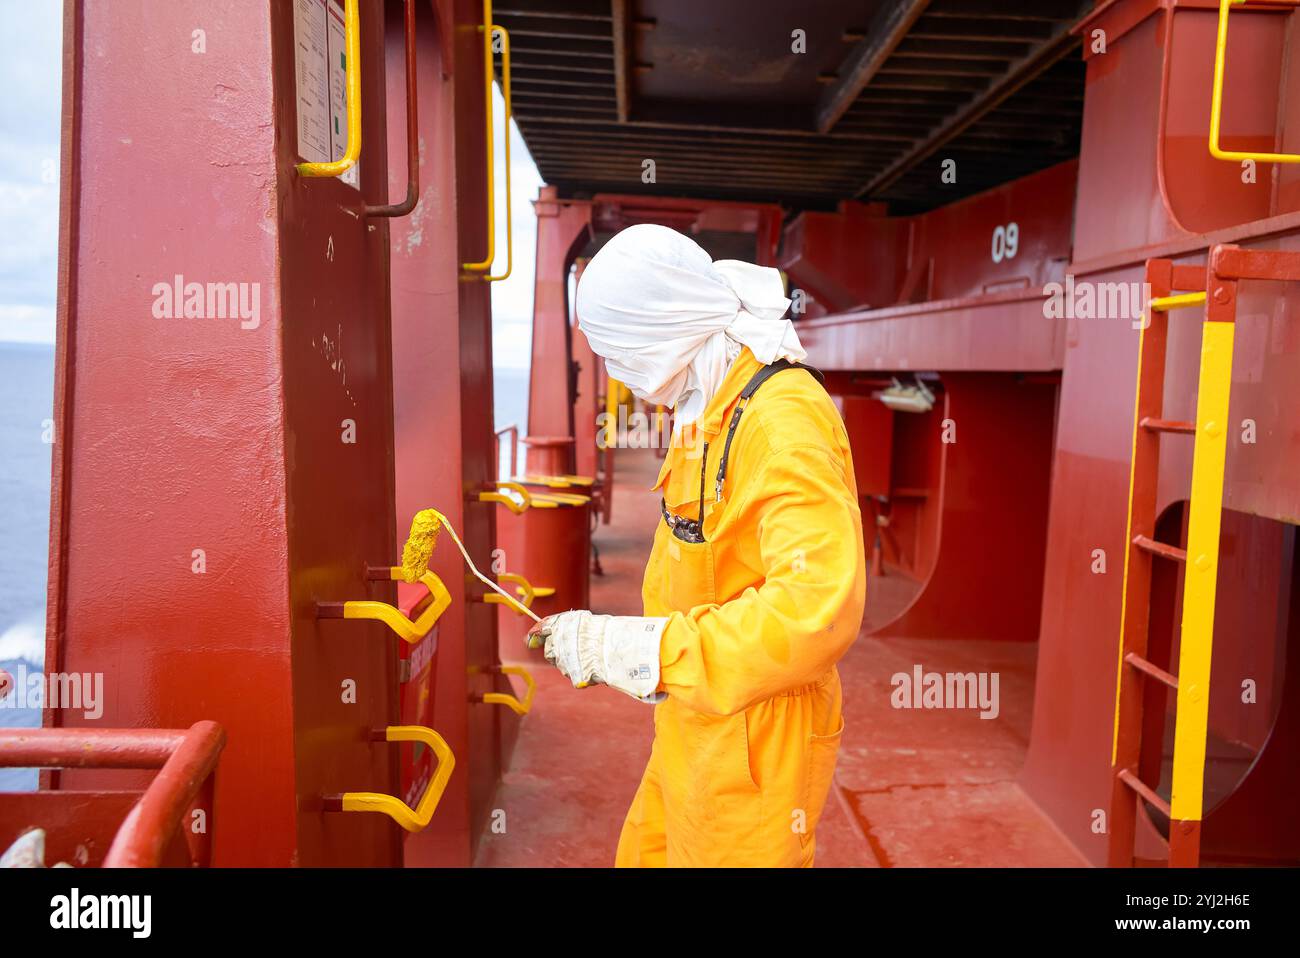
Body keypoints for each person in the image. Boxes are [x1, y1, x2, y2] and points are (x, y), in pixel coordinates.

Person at [527, 223, 866, 867]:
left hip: (757, 739)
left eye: (616, 348)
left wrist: (640, 650)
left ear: (659, 328)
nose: (611, 368)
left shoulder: (779, 422)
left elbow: (815, 613)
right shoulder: (708, 403)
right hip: (697, 712)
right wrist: (634, 652)